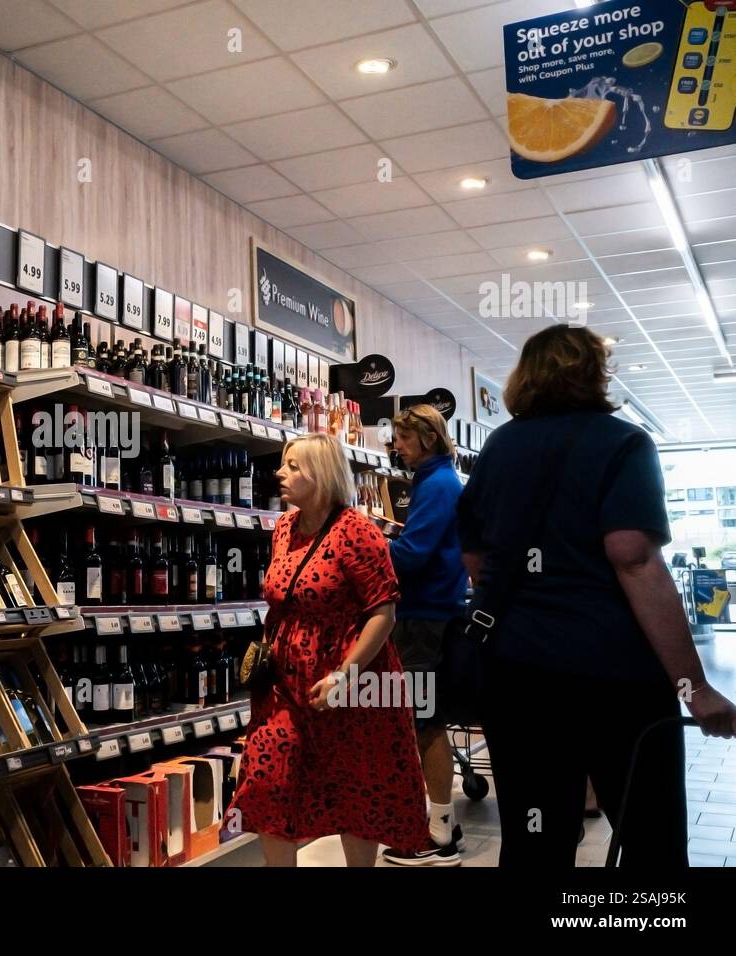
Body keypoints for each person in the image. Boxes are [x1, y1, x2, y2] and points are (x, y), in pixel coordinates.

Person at [457, 324, 736, 867]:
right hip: (616, 677)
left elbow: (476, 557)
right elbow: (632, 556)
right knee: (650, 835)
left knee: (534, 838)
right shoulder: (623, 442)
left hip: (516, 674)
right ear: (594, 373)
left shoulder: (499, 446)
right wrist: (693, 687)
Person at [228, 433, 427, 866]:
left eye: (294, 466)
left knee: (357, 791)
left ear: (322, 474)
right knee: (268, 780)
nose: (281, 472)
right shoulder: (283, 528)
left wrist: (345, 676)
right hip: (285, 684)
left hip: (351, 687)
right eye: (284, 463)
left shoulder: (357, 530)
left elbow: (384, 613)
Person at [381, 404, 468, 867]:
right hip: (429, 613)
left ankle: (436, 835)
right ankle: (443, 823)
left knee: (423, 721)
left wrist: (368, 541)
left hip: (421, 618)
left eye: (404, 438)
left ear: (428, 439)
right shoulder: (438, 480)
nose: (397, 446)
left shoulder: (436, 485)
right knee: (426, 717)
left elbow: (413, 555)